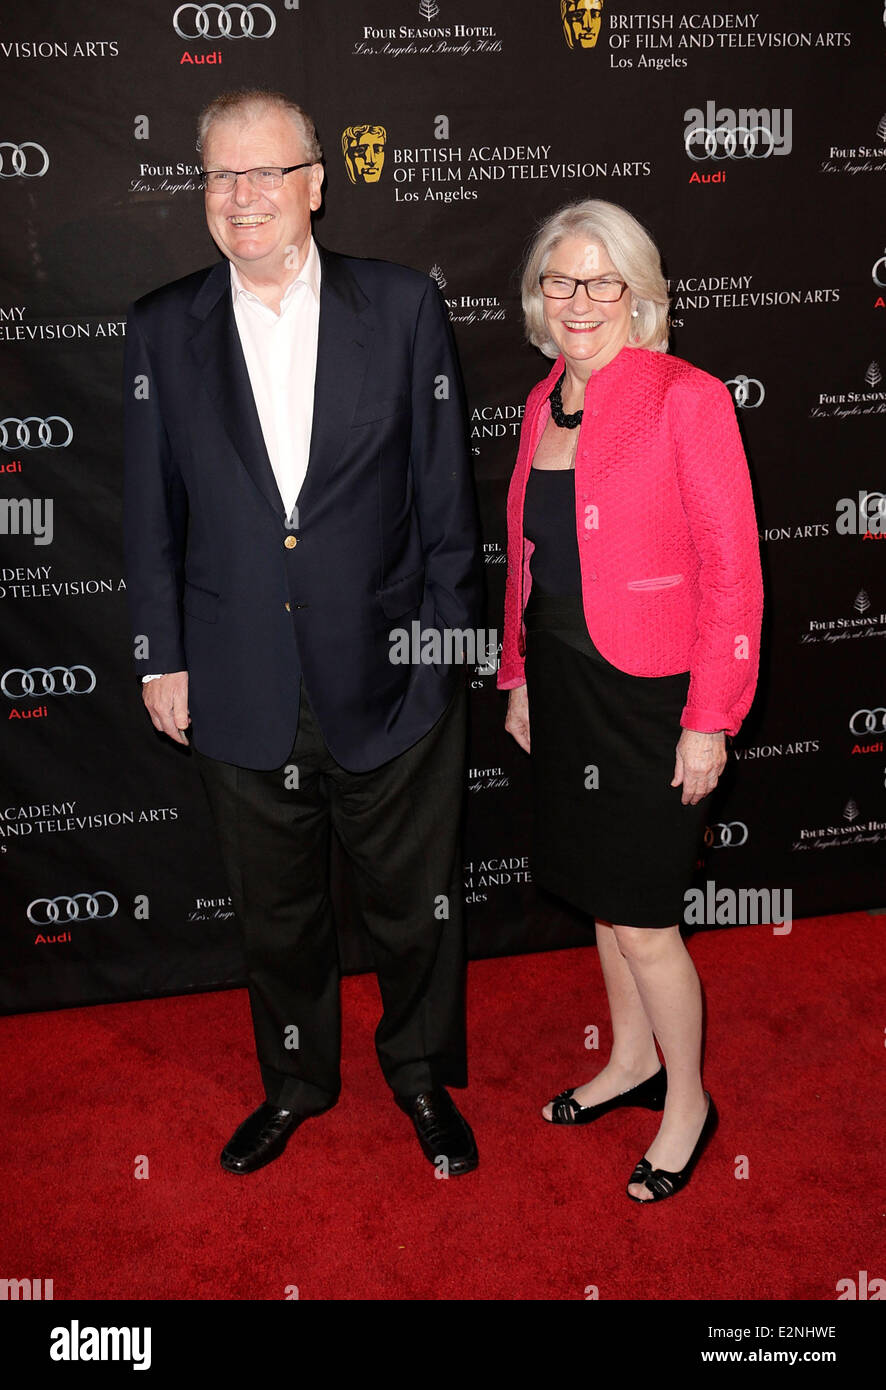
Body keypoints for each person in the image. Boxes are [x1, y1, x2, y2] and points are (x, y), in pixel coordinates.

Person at [123, 89, 482, 1177]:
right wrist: (163, 655)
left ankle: (421, 1077)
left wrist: (443, 659)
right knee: (276, 917)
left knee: (412, 911)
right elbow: (149, 513)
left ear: (315, 185)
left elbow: (447, 504)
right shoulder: (161, 326)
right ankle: (295, 1083)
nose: (242, 198)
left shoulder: (403, 306)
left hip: (393, 679)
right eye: (221, 177)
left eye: (266, 173)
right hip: (236, 680)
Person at [498, 199, 763, 1203]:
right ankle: (629, 1059)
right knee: (605, 906)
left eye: (601, 280)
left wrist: (710, 718)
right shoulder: (540, 402)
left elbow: (732, 573)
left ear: (639, 294)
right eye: (559, 280)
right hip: (566, 686)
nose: (579, 299)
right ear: (536, 296)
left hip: (655, 696)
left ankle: (687, 1099)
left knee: (645, 917)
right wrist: (518, 673)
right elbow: (526, 558)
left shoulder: (684, 399)